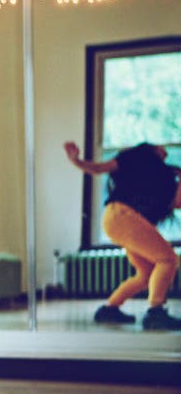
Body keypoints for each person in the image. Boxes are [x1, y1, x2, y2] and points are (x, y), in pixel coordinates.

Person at [64, 140, 181, 330]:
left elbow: (177, 202)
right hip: (121, 215)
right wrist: (76, 161)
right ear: (148, 148)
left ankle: (110, 309)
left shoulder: (164, 177)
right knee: (168, 259)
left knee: (146, 274)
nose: (165, 151)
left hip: (122, 220)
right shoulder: (135, 158)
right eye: (160, 148)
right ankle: (155, 313)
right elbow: (99, 168)